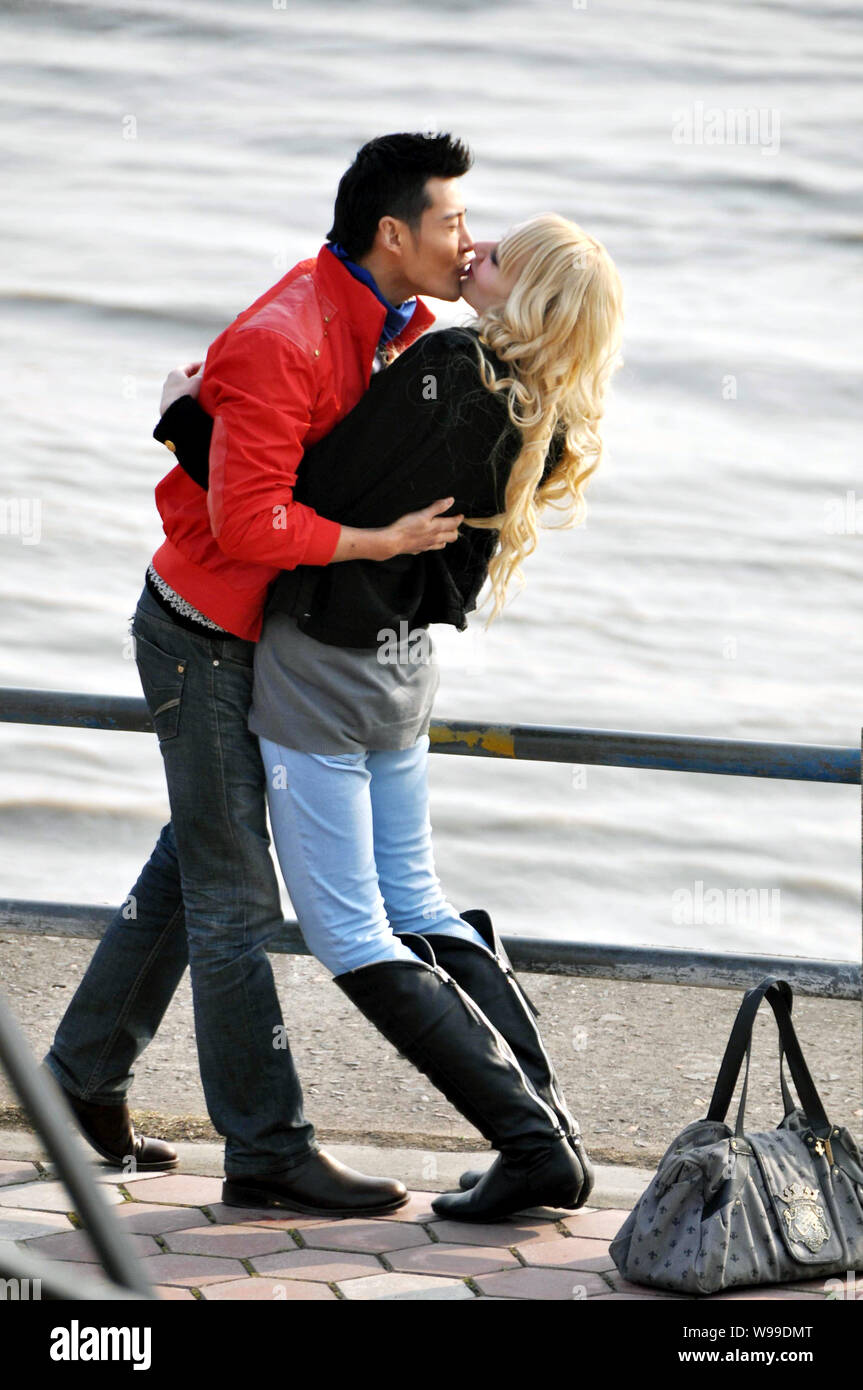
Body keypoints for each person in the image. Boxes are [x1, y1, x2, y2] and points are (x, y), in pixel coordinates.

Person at [43, 132, 476, 1216]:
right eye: (453, 221)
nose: (467, 239)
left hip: (268, 636)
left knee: (191, 868)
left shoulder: (398, 327)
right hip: (202, 631)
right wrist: (379, 545)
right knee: (238, 895)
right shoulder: (288, 336)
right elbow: (248, 521)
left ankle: (75, 1083)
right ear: (392, 232)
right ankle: (266, 1147)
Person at [168, 213, 624, 1220]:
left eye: (497, 256)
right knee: (415, 905)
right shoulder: (540, 405)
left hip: (325, 670)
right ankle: (550, 1138)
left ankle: (528, 1140)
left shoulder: (456, 367)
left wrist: (188, 420)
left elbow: (307, 495)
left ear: (529, 294)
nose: (475, 253)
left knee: (348, 929)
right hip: (402, 673)